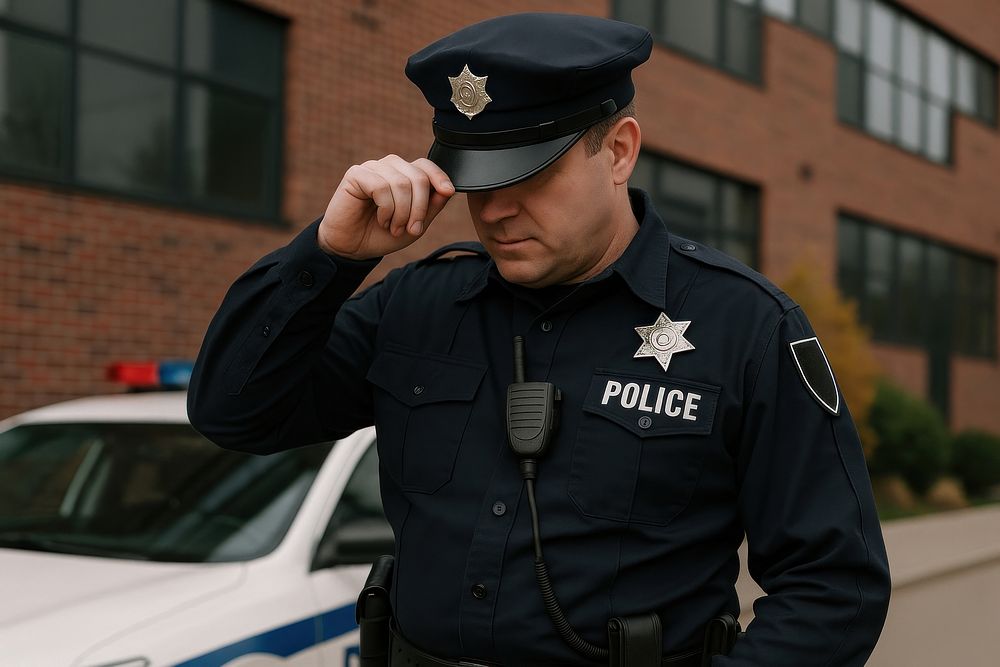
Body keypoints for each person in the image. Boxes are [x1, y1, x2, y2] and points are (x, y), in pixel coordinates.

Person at [188, 12, 891, 667]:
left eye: (529, 173)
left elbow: (835, 586)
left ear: (617, 151)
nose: (494, 209)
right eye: (474, 177)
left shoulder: (745, 327)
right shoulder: (416, 306)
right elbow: (233, 410)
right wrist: (330, 255)